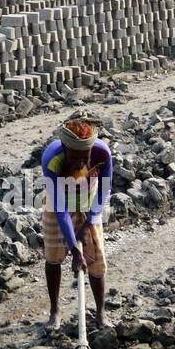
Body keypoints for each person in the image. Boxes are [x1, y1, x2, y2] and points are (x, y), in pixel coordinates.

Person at [42, 119, 114, 332]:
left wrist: (89, 221)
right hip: (57, 205)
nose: (80, 162)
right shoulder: (51, 159)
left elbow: (104, 192)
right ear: (65, 148)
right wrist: (74, 250)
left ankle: (100, 313)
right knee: (53, 257)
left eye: (85, 157)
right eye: (74, 157)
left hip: (89, 202)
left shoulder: (102, 154)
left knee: (97, 260)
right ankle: (55, 311)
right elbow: (61, 209)